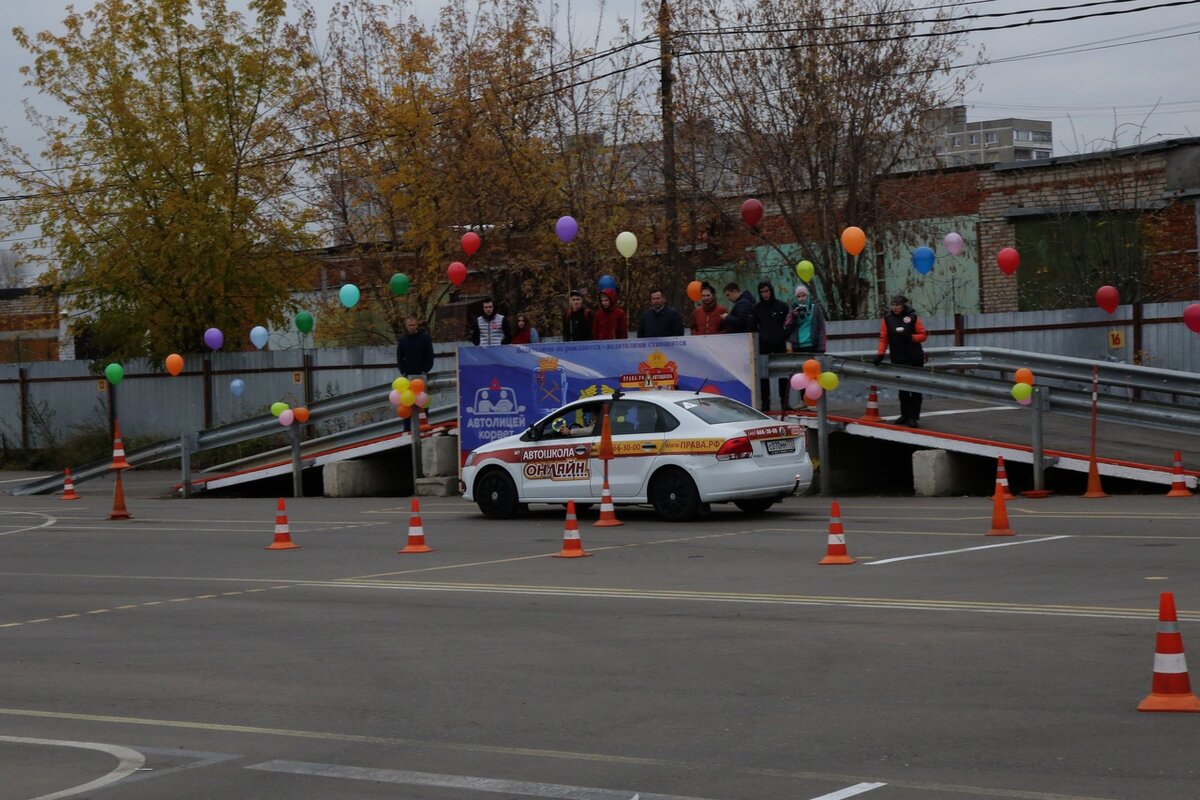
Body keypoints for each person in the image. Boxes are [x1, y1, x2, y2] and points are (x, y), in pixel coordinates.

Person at [873, 293, 928, 427]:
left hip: (914, 356)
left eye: (898, 305)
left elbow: (923, 335)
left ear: (903, 306)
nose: (895, 308)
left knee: (915, 387)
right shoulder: (887, 319)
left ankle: (913, 417)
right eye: (893, 305)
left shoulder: (912, 317)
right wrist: (880, 354)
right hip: (898, 357)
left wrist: (910, 338)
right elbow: (884, 338)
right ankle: (904, 415)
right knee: (902, 389)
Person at [751, 280, 791, 414]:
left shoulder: (782, 306)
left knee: (783, 374)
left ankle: (785, 402)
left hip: (779, 344)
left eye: (767, 291)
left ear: (771, 291)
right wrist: (761, 337)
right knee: (764, 376)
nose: (765, 294)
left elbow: (789, 322)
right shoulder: (756, 308)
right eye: (762, 292)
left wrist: (784, 335)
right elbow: (752, 326)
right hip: (764, 345)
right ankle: (765, 403)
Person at [783, 285, 827, 354]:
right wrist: (793, 316)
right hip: (797, 346)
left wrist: (822, 347)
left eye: (803, 295)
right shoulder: (793, 309)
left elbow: (821, 328)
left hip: (812, 344)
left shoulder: (815, 308)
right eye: (798, 296)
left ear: (807, 295)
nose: (801, 298)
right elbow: (787, 326)